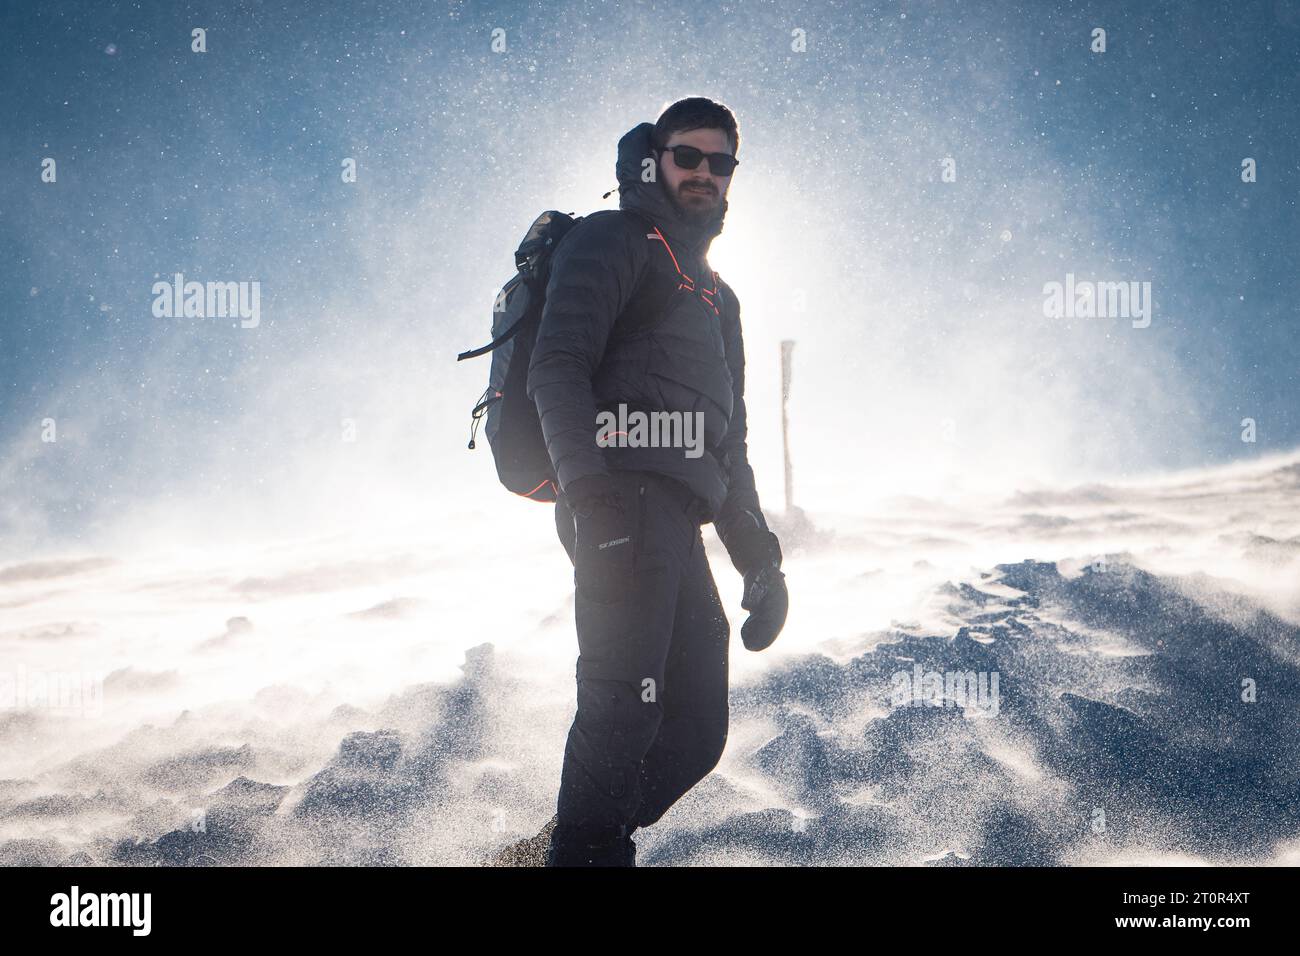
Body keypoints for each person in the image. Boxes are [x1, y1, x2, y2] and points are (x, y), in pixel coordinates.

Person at [522, 97, 789, 867]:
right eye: (688, 156)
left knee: (696, 733)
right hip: (617, 501)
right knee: (621, 713)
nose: (705, 172)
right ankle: (583, 850)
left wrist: (760, 560)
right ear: (654, 159)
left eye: (721, 162)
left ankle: (563, 849)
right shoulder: (612, 239)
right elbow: (558, 365)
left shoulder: (717, 295)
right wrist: (590, 496)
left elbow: (727, 444)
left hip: (677, 521)